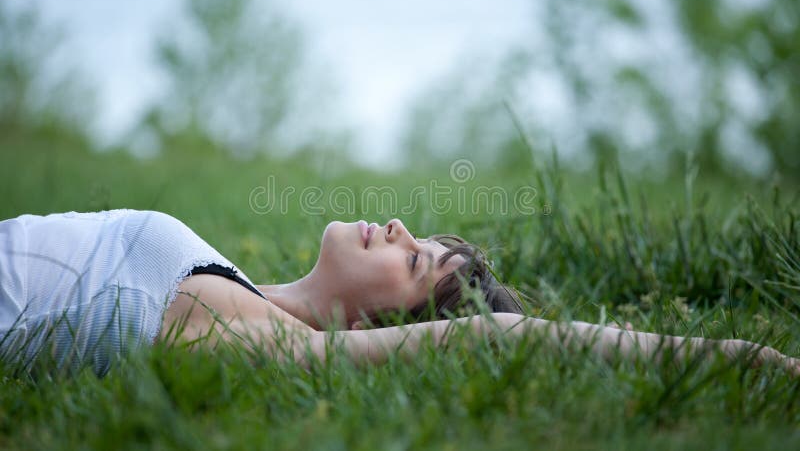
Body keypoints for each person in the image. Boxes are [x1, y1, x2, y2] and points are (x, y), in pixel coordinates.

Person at [0, 209, 796, 376]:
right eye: (424, 238)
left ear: (381, 326)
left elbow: (496, 336)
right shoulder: (231, 286)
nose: (401, 227)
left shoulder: (257, 337)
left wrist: (743, 357)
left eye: (417, 263)